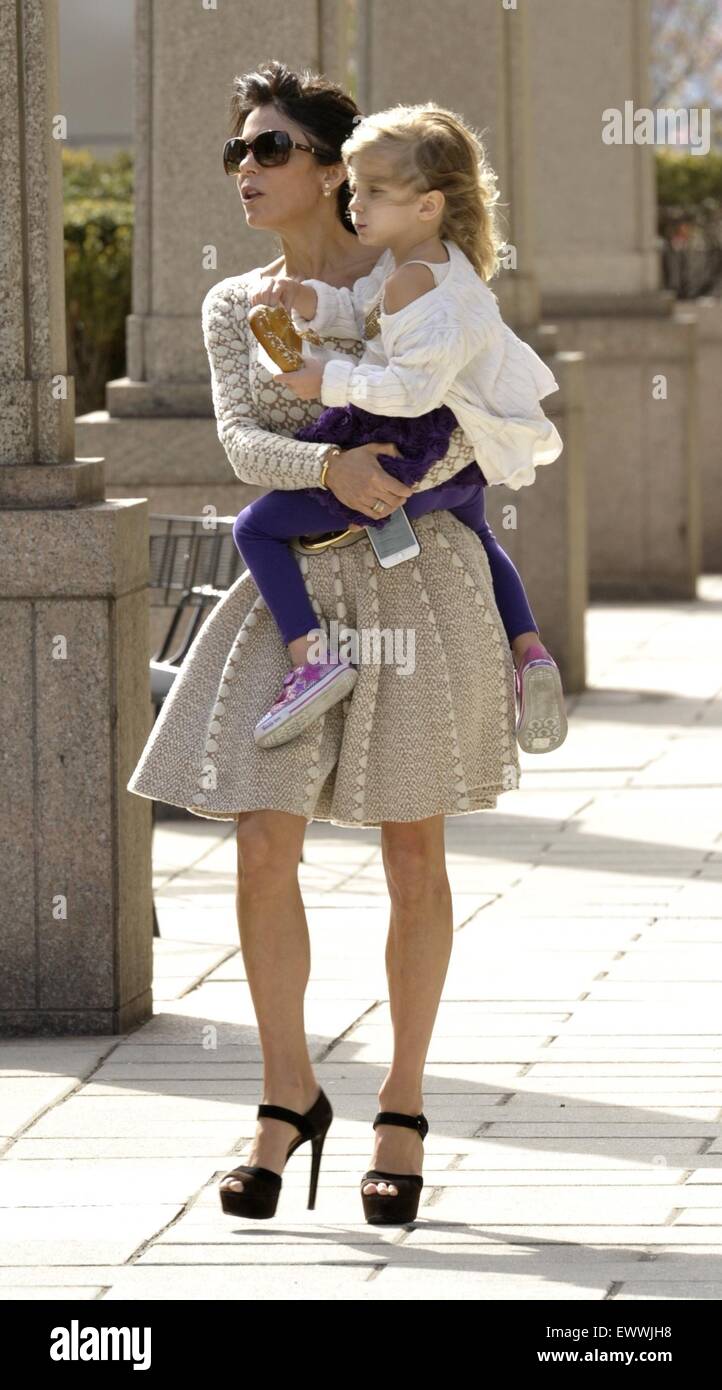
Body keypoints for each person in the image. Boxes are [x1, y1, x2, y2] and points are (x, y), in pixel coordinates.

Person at [126, 60, 542, 1225]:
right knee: (263, 836)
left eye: (268, 150)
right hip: (290, 586)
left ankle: (400, 1106)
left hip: (415, 578)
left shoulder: (421, 279)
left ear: (330, 167)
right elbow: (240, 442)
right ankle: (283, 1096)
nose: (245, 172)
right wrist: (330, 465)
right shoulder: (239, 305)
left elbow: (472, 414)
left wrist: (398, 474)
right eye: (235, 153)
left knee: (413, 848)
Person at [231, 103, 567, 756]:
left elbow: (412, 391)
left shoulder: (418, 284)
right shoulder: (425, 265)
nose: (358, 204)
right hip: (455, 460)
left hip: (408, 441)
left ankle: (312, 659)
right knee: (479, 527)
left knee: (256, 527)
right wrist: (309, 301)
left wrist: (321, 380)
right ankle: (529, 652)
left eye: (377, 192)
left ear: (428, 204)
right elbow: (363, 316)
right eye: (356, 188)